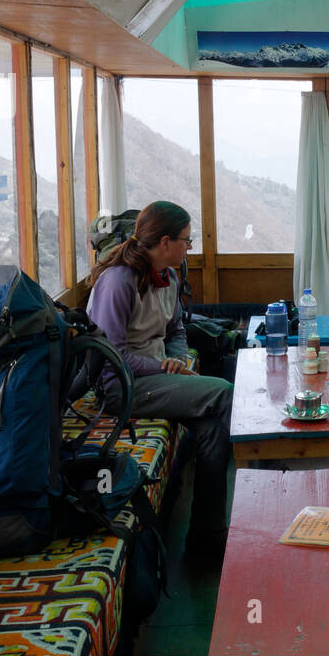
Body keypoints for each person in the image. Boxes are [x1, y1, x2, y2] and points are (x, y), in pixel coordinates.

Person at [86, 201, 232, 562]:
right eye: (186, 240)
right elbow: (112, 356)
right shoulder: (118, 282)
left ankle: (207, 544)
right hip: (123, 388)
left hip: (157, 378)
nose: (189, 247)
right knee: (225, 393)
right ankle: (226, 522)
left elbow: (176, 329)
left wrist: (179, 361)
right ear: (164, 241)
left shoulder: (169, 275)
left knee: (213, 429)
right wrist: (161, 367)